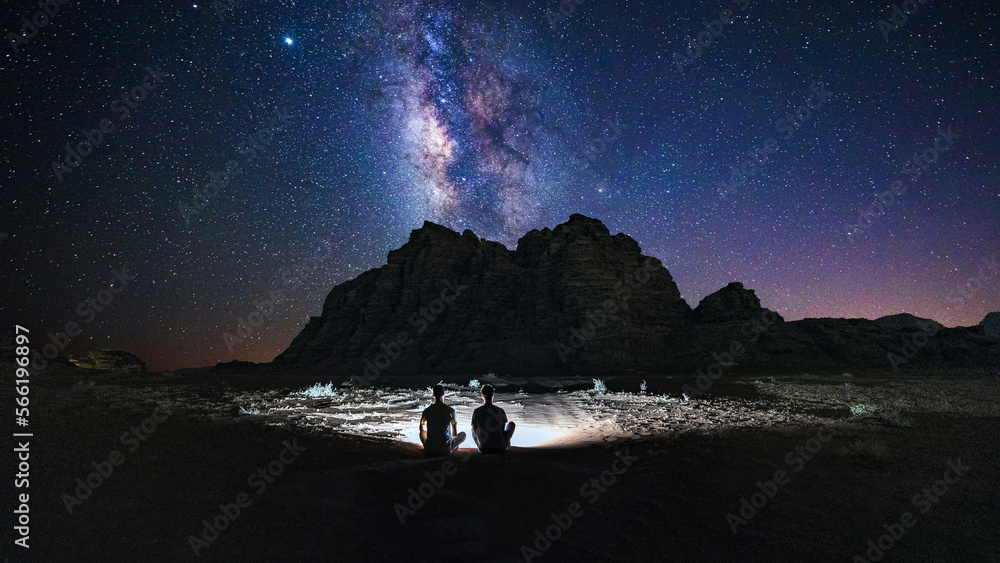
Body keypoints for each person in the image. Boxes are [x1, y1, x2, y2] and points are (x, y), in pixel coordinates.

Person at [419, 384, 466, 455]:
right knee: (463, 435)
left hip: (430, 449)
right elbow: (454, 429)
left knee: (422, 433)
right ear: (444, 394)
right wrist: (455, 445)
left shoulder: (427, 410)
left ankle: (430, 445)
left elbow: (421, 427)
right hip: (445, 449)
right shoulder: (450, 410)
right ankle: (453, 447)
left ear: (433, 395)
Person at [471, 383, 516, 454]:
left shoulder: (477, 411)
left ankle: (481, 444)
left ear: (482, 396)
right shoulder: (500, 411)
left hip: (484, 449)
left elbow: (475, 430)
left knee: (472, 429)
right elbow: (502, 431)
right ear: (492, 395)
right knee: (511, 424)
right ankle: (507, 445)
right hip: (500, 448)